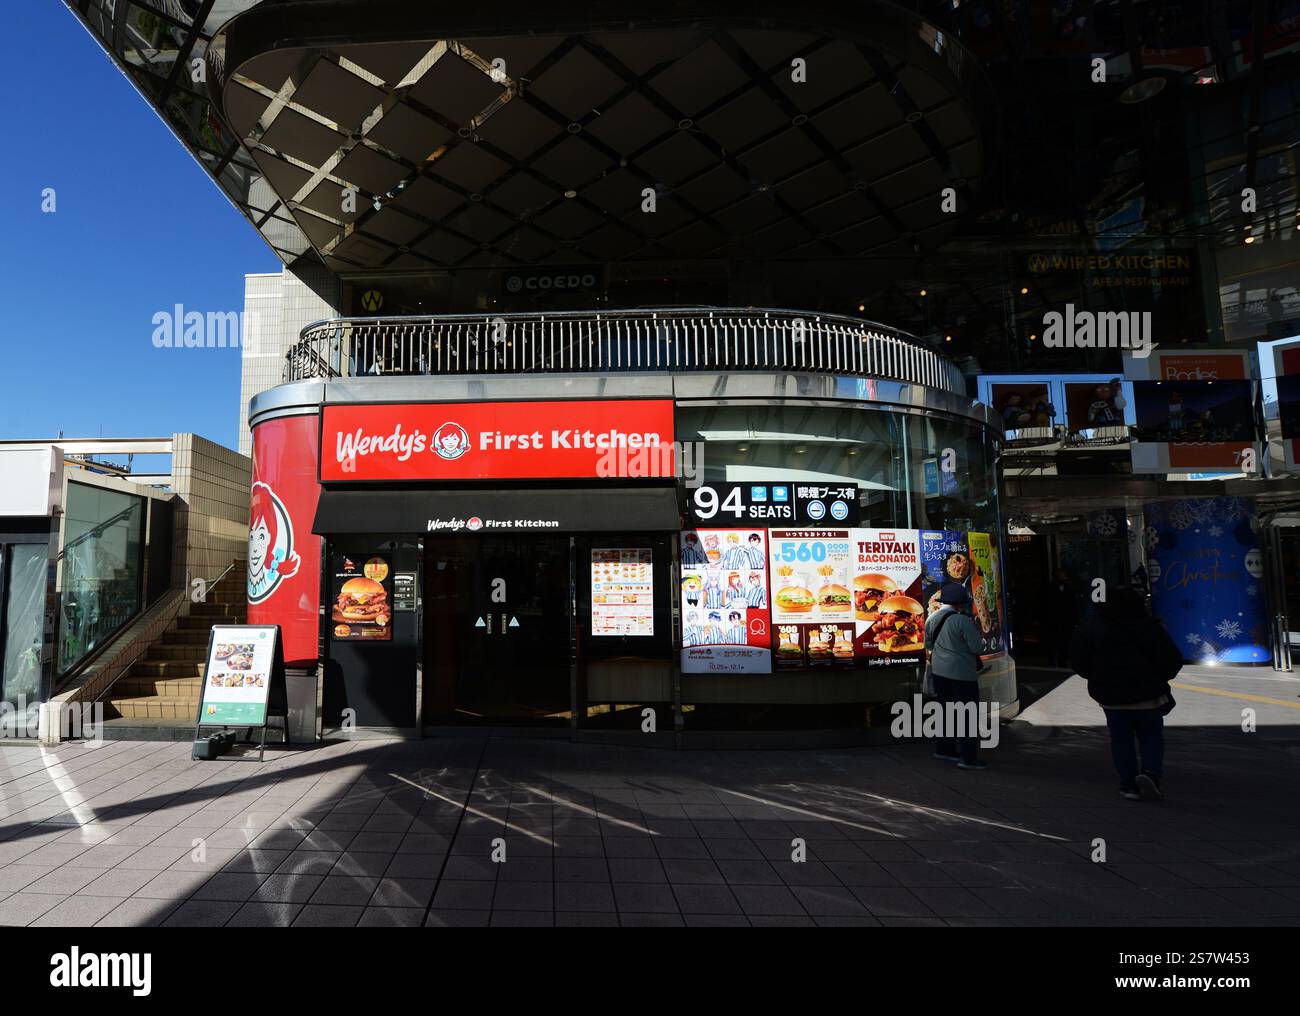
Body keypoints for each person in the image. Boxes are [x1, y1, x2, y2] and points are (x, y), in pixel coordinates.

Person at [1068, 585, 1182, 801]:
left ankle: (1128, 785)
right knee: (1151, 735)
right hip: (1148, 696)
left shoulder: (1093, 627)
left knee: (1121, 739)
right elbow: (1171, 659)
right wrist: (1158, 677)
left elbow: (1078, 660)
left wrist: (1096, 677)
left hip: (1112, 697)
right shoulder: (1148, 626)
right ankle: (1151, 773)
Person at [924, 582, 987, 770]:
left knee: (945, 711)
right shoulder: (962, 621)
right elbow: (976, 647)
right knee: (967, 715)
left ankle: (944, 749)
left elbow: (928, 644)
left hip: (939, 672)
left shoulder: (931, 618)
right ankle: (968, 758)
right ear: (960, 602)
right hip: (962, 674)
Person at [1044, 567, 1080, 666]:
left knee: (1065, 642)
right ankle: (1052, 660)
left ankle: (1062, 660)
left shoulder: (1069, 588)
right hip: (1053, 620)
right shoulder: (1048, 588)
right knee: (1053, 641)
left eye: (1063, 575)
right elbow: (1044, 605)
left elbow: (1074, 606)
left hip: (1066, 621)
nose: (1063, 577)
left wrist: (1075, 620)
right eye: (1060, 575)